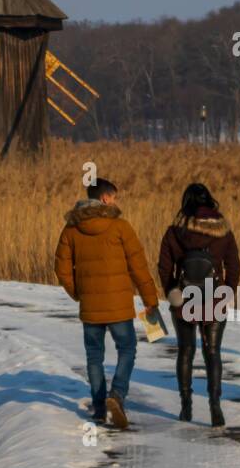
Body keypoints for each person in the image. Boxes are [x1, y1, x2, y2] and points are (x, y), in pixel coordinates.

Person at [55, 178, 161, 429]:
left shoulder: (71, 229)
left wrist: (79, 293)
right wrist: (150, 300)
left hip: (91, 308)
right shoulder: (120, 227)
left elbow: (61, 269)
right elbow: (138, 266)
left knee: (94, 357)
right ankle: (117, 395)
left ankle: (100, 409)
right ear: (104, 198)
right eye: (114, 197)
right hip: (119, 305)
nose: (115, 201)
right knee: (127, 349)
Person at [158, 183, 240, 426]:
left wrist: (172, 291)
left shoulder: (175, 231)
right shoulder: (223, 231)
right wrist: (227, 293)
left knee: (185, 351)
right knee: (213, 352)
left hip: (183, 299)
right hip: (214, 298)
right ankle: (215, 405)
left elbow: (164, 266)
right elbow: (234, 266)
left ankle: (186, 406)